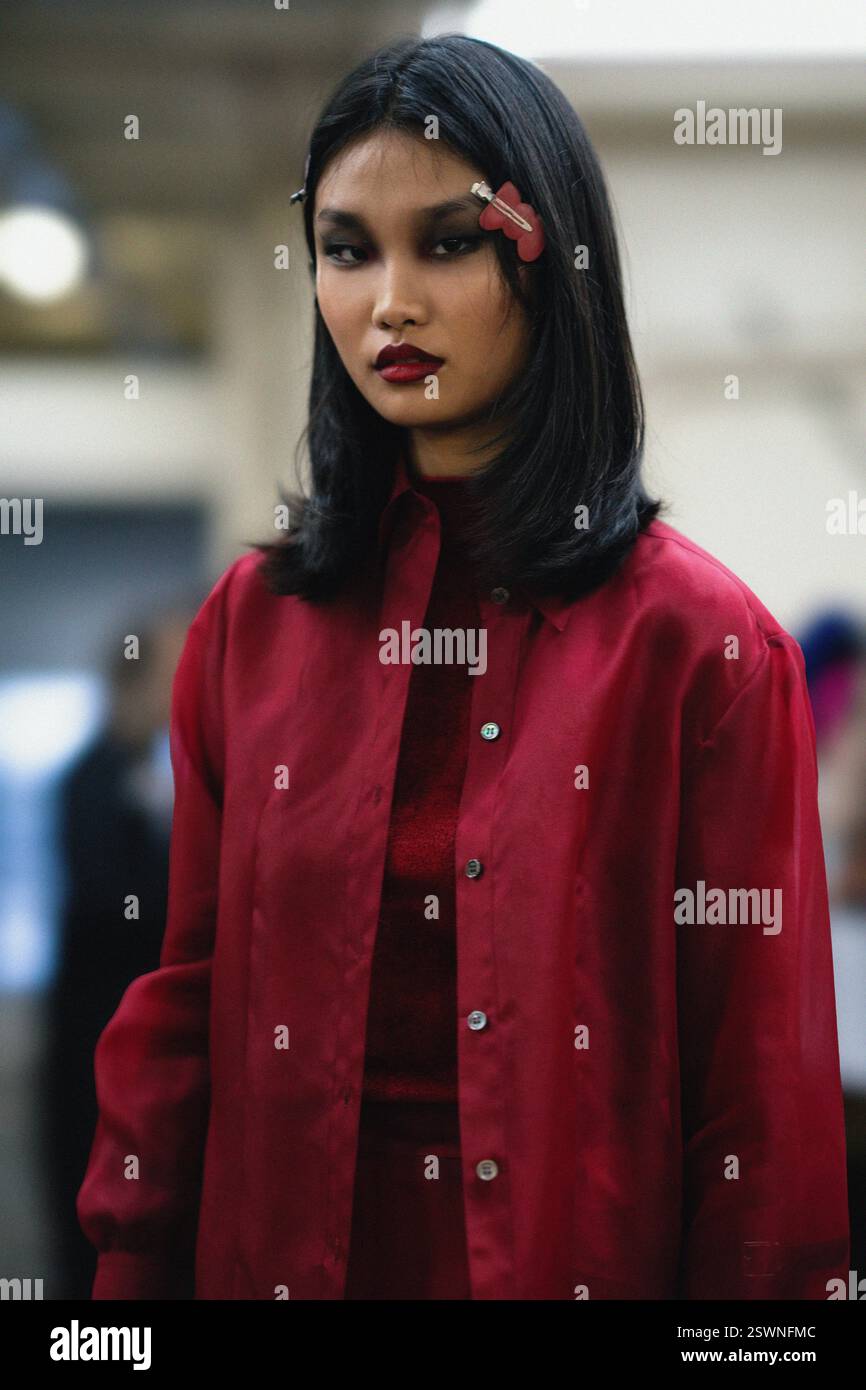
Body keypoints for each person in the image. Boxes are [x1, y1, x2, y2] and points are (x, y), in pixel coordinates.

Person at [76, 33, 849, 1300]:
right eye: (345, 248)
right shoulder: (248, 631)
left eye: (447, 242)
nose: (390, 300)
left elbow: (754, 1108)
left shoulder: (699, 651)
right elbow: (185, 1010)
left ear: (550, 263)